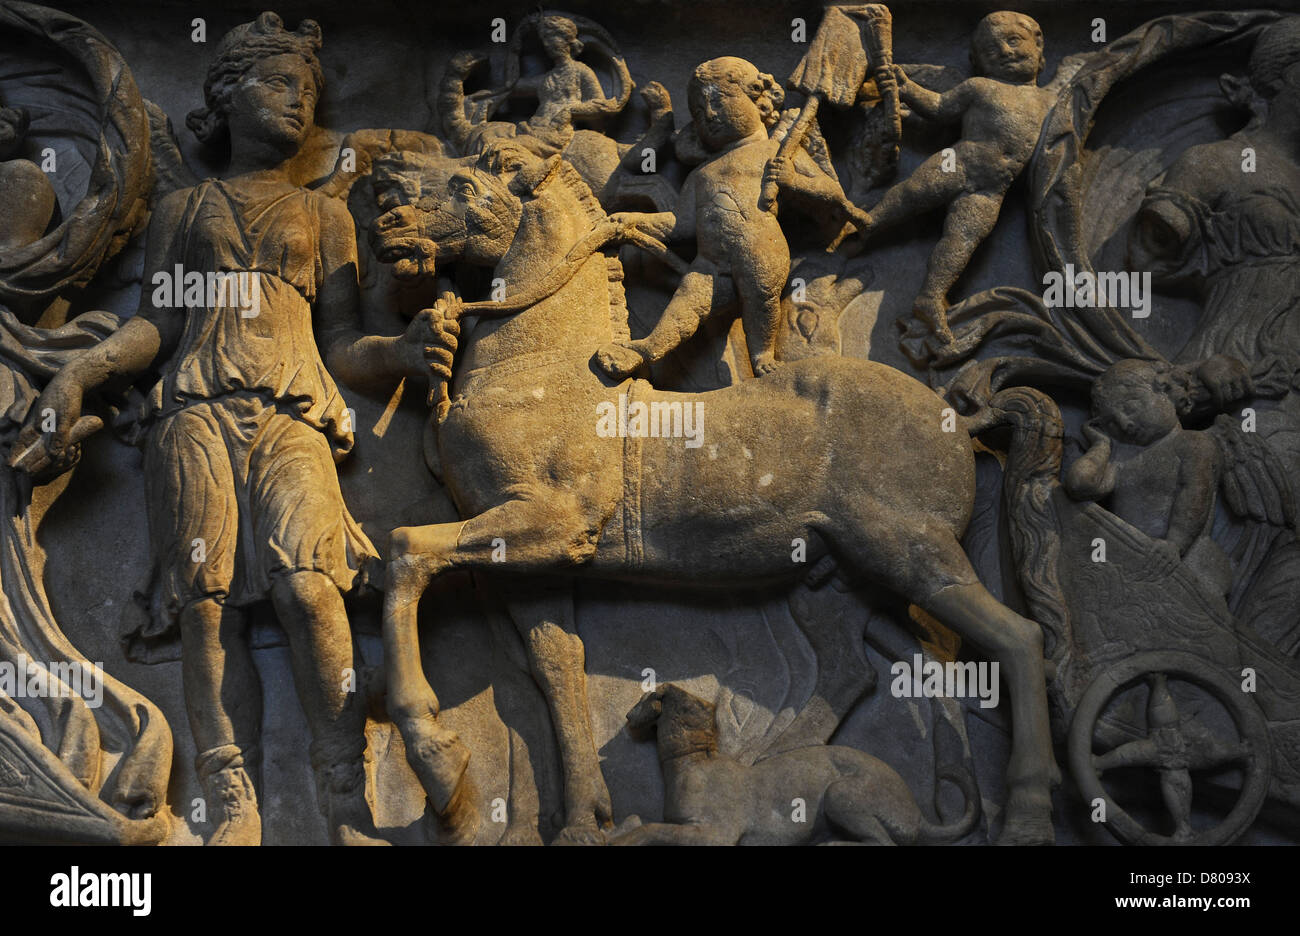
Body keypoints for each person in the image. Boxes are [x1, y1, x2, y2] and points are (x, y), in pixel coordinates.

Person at [11, 12, 442, 845]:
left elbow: (344, 343)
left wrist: (403, 351)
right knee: (207, 609)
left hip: (291, 412)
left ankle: (340, 783)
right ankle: (231, 792)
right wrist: (78, 371)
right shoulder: (184, 208)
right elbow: (157, 328)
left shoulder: (324, 215)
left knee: (311, 588)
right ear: (227, 94)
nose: (297, 104)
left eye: (309, 95)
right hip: (193, 415)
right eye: (279, 84)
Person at [1128, 15, 1300, 654]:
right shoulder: (1219, 164)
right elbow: (1144, 257)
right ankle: (1234, 671)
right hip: (1246, 377)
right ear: (1278, 80)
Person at [595, 56, 866, 380]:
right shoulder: (701, 173)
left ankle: (762, 356)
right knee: (688, 300)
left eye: (719, 100)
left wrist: (793, 180)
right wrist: (630, 221)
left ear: (757, 98)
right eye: (699, 111)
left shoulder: (773, 152)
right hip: (710, 262)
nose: (709, 114)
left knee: (761, 300)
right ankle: (650, 348)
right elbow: (680, 225)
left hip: (759, 249)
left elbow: (830, 191)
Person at [854, 12, 1056, 350]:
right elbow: (939, 106)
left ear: (1039, 46)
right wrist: (906, 88)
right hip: (959, 163)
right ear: (978, 62)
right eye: (991, 50)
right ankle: (869, 222)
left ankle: (931, 296)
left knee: (963, 240)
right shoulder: (981, 87)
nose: (1004, 51)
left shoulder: (1052, 103)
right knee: (912, 193)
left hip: (992, 190)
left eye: (1013, 41)